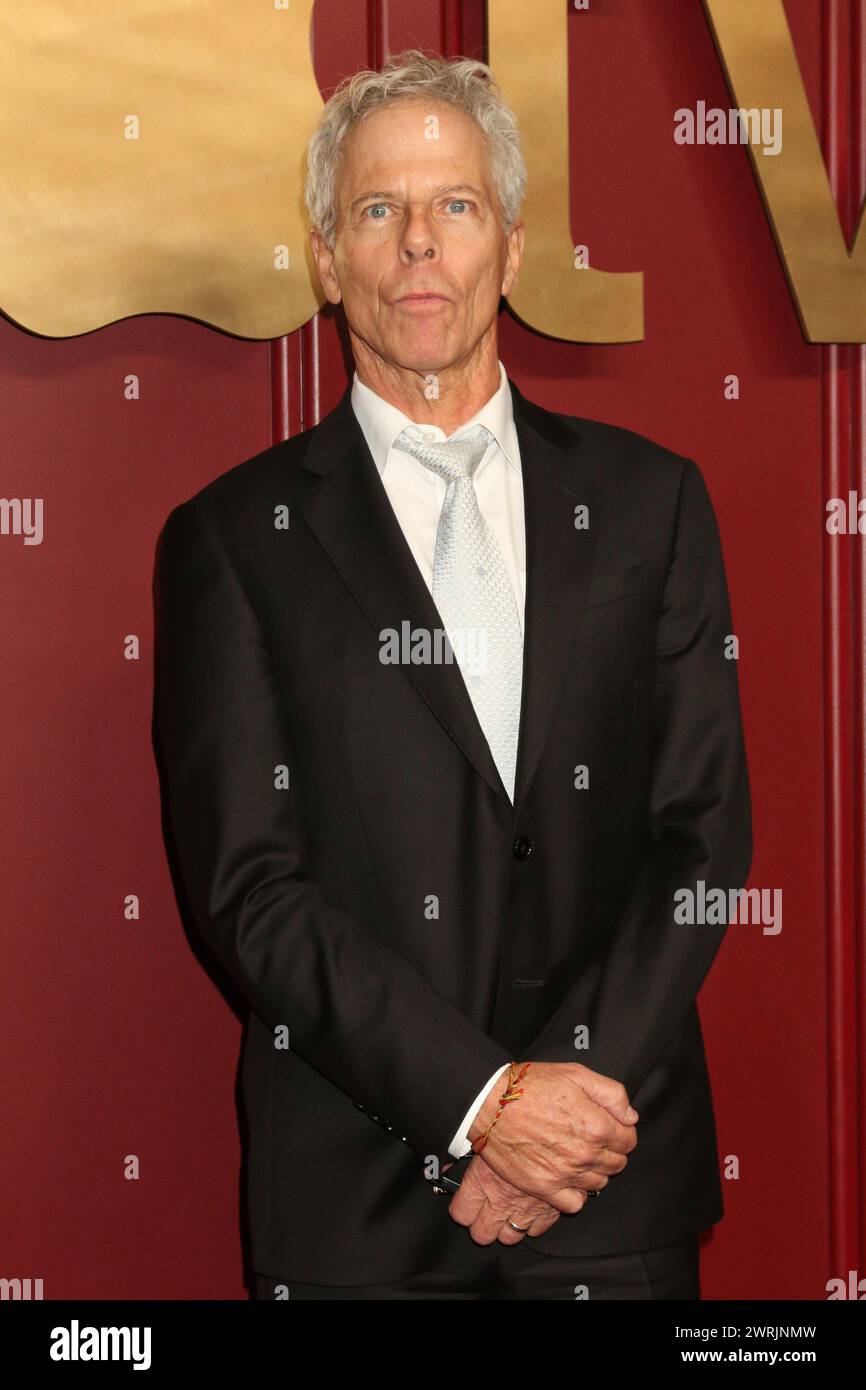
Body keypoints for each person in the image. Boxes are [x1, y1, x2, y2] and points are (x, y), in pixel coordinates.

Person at [153, 49, 752, 1301]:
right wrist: (480, 1105)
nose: (418, 243)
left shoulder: (652, 506)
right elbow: (248, 889)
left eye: (455, 206)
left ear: (513, 246)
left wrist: (551, 1128)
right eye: (378, 210)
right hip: (359, 1218)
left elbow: (700, 843)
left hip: (609, 1187)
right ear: (326, 256)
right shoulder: (229, 543)